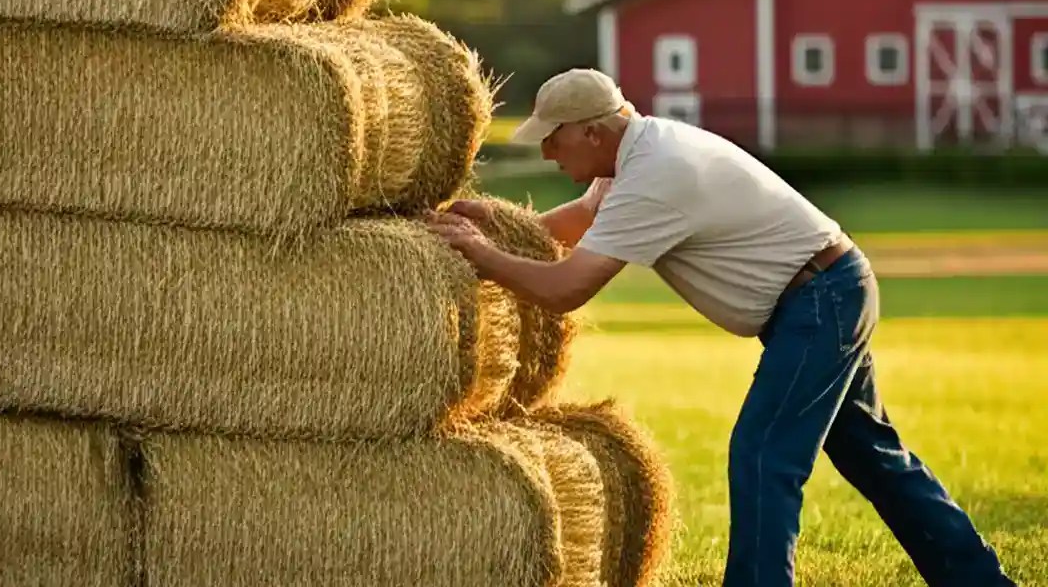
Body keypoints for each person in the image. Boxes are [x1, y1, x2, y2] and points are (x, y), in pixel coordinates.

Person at [425, 68, 1014, 587]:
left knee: (762, 454)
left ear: (592, 132)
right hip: (828, 289)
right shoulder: (637, 154)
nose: (550, 155)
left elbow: (565, 289)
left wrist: (482, 256)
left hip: (819, 300)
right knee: (874, 459)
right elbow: (577, 220)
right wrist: (499, 226)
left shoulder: (655, 175)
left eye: (553, 140)